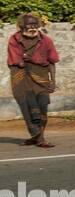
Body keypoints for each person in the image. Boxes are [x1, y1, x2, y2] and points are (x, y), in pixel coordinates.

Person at [8, 13, 59, 147]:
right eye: (30, 25)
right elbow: (17, 61)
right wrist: (23, 61)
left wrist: (53, 82)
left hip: (41, 78)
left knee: (42, 105)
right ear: (22, 26)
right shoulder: (14, 39)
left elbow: (52, 62)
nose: (33, 27)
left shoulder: (46, 40)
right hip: (20, 77)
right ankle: (38, 137)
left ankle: (38, 136)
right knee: (26, 104)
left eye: (35, 25)